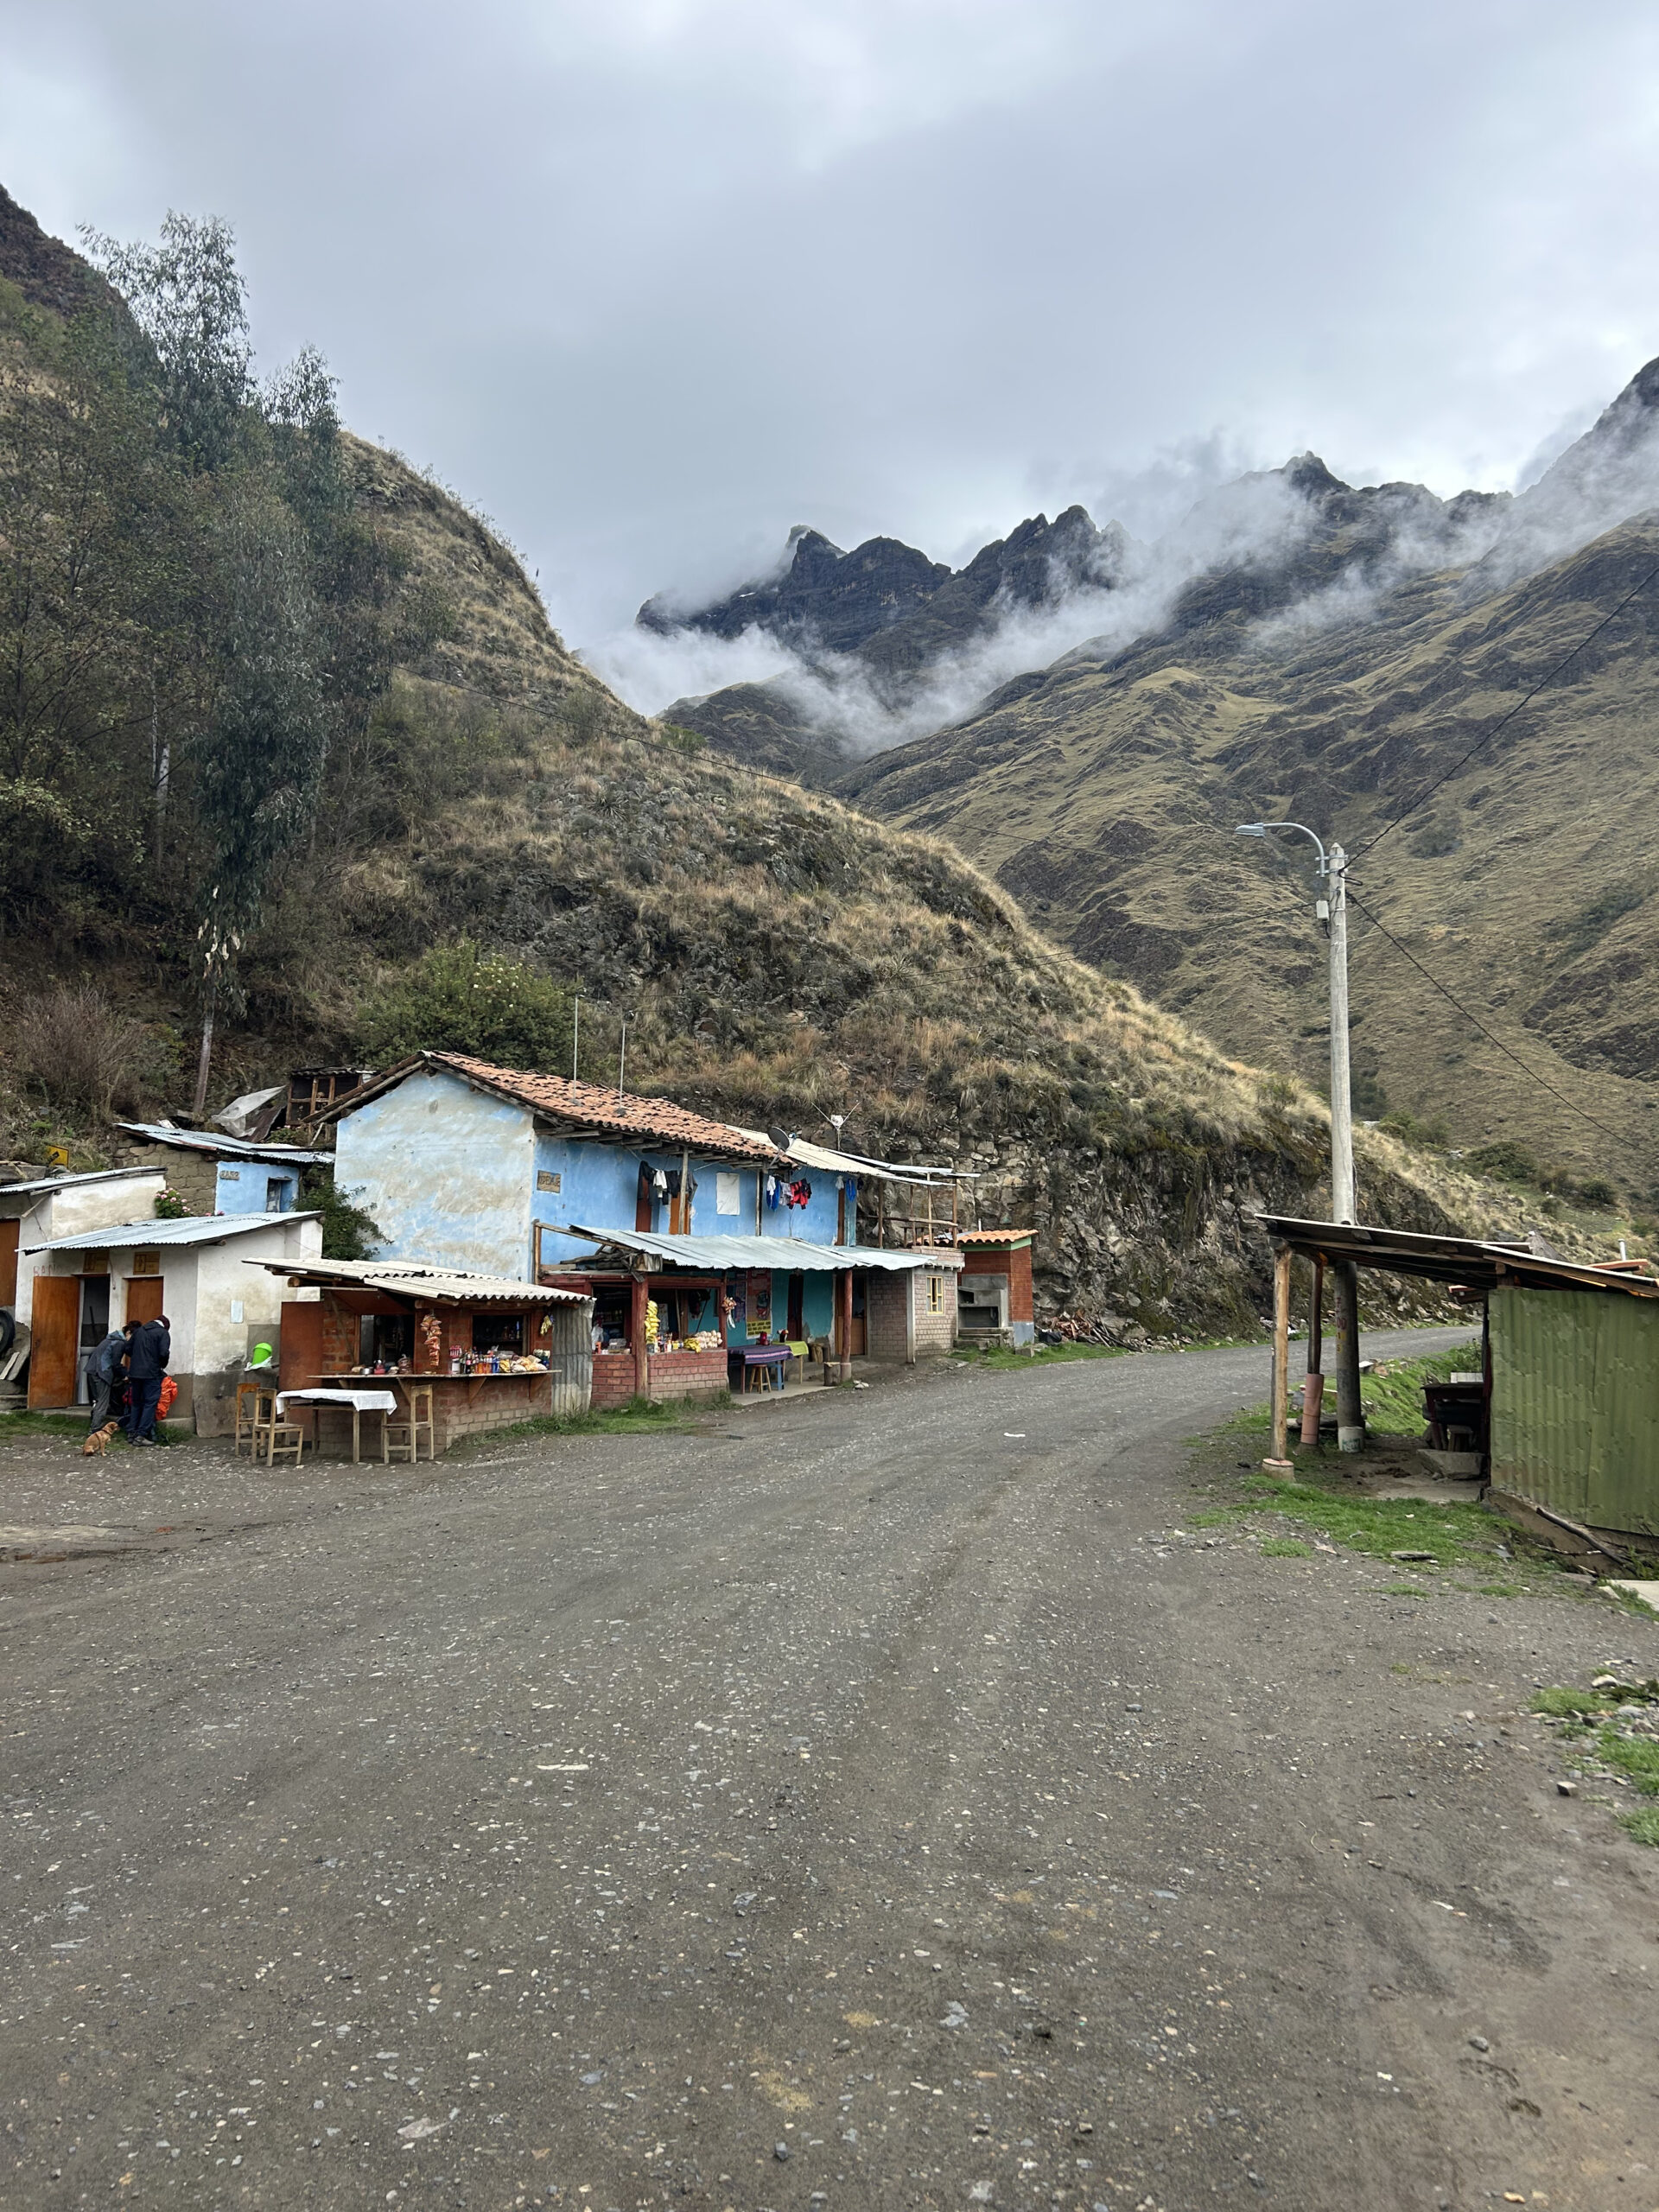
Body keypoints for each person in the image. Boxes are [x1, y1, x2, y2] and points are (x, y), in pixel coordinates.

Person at [124, 1312, 171, 1446]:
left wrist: (137, 1359)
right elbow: (163, 1353)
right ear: (165, 1326)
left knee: (136, 1402)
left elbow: (127, 1348)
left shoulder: (139, 1332)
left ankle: (131, 1432)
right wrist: (161, 1364)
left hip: (135, 1373)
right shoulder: (163, 1333)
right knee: (150, 1403)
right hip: (152, 1374)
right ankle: (141, 1435)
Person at [86, 1324, 127, 1434]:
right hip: (102, 1373)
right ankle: (95, 1429)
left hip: (92, 1370)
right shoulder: (119, 1343)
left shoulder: (109, 1339)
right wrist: (125, 1374)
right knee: (103, 1402)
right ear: (128, 1334)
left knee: (98, 1400)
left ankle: (94, 1422)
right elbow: (115, 1363)